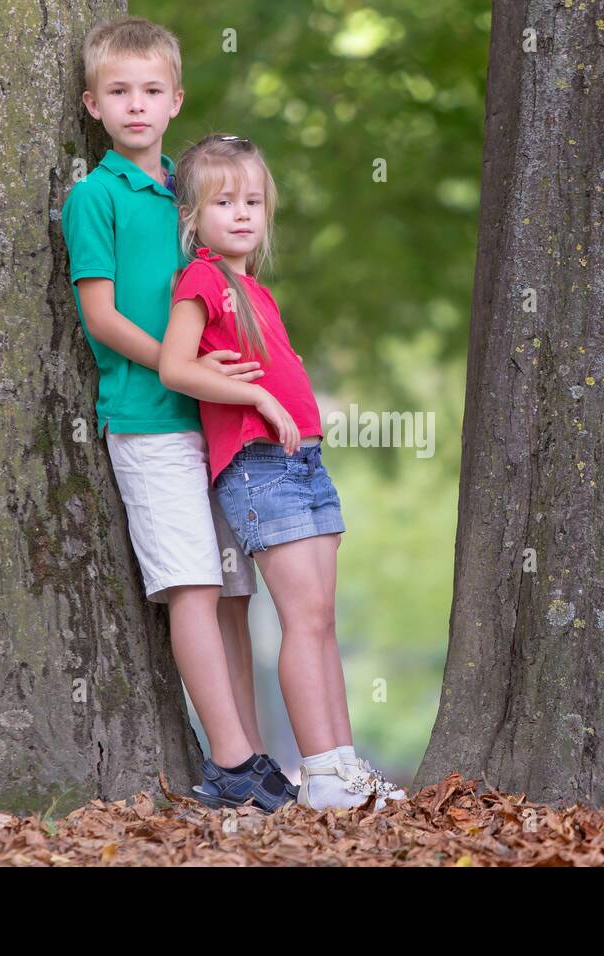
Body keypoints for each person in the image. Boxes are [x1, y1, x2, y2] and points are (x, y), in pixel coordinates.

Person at [60, 18, 296, 811]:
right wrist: (178, 361)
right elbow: (101, 318)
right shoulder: (95, 197)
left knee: (235, 590)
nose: (136, 106)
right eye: (119, 92)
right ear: (92, 105)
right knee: (191, 586)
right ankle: (230, 765)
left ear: (175, 101)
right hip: (150, 420)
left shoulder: (189, 189)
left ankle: (257, 752)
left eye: (151, 92)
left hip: (217, 426)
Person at [158, 133, 408, 810]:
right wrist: (259, 397)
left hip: (301, 461)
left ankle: (344, 767)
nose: (241, 213)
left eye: (254, 201)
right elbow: (175, 366)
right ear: (194, 217)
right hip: (258, 465)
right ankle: (321, 773)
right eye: (224, 202)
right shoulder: (202, 280)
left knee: (320, 617)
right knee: (303, 618)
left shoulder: (255, 289)